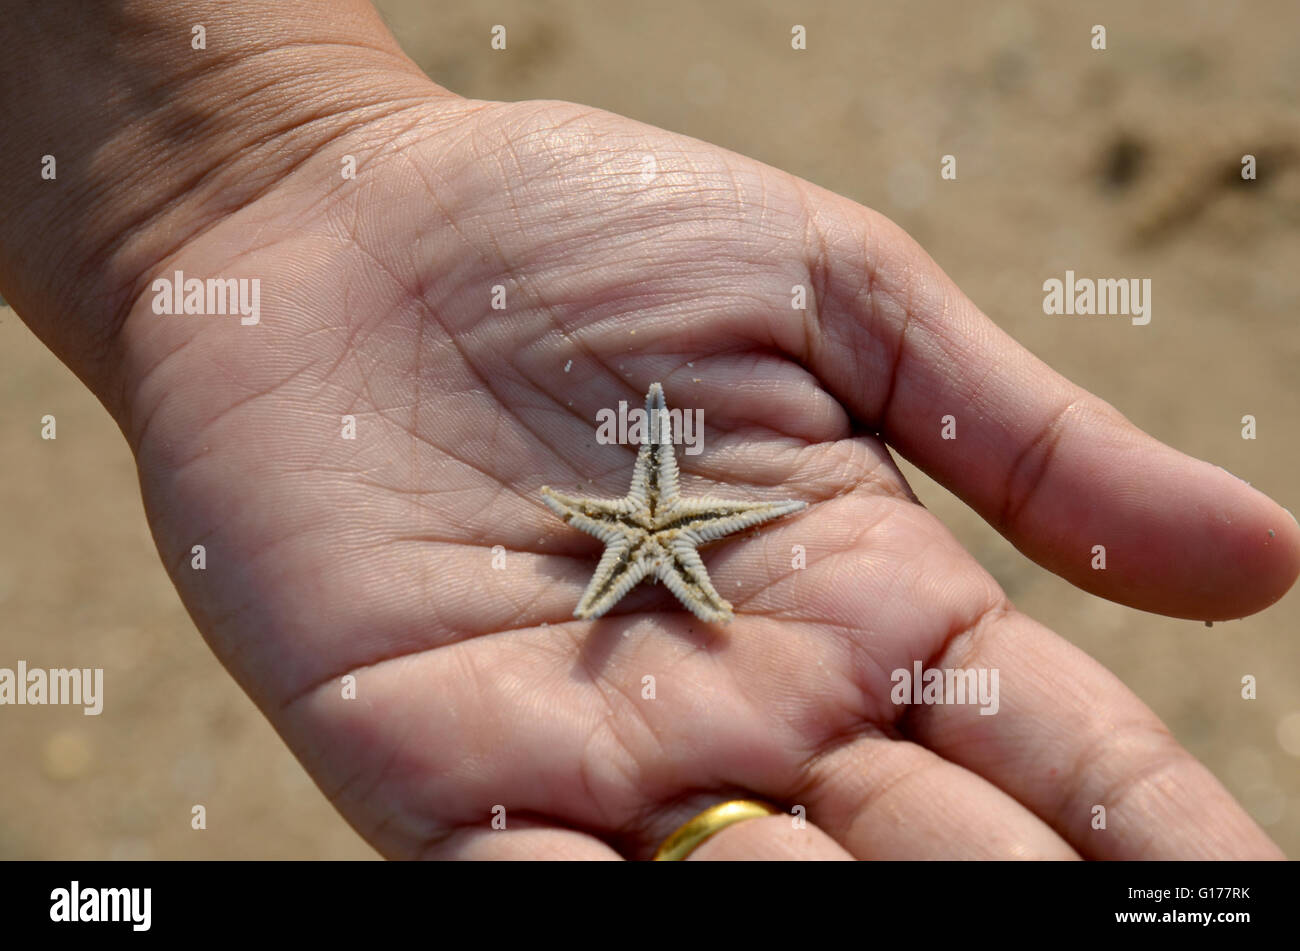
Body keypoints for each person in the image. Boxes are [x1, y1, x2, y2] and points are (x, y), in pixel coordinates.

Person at [1, 0, 1296, 860]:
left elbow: (654, 519)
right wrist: (215, 171)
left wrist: (220, 156)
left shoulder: (656, 532)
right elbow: (628, 525)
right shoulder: (623, 536)